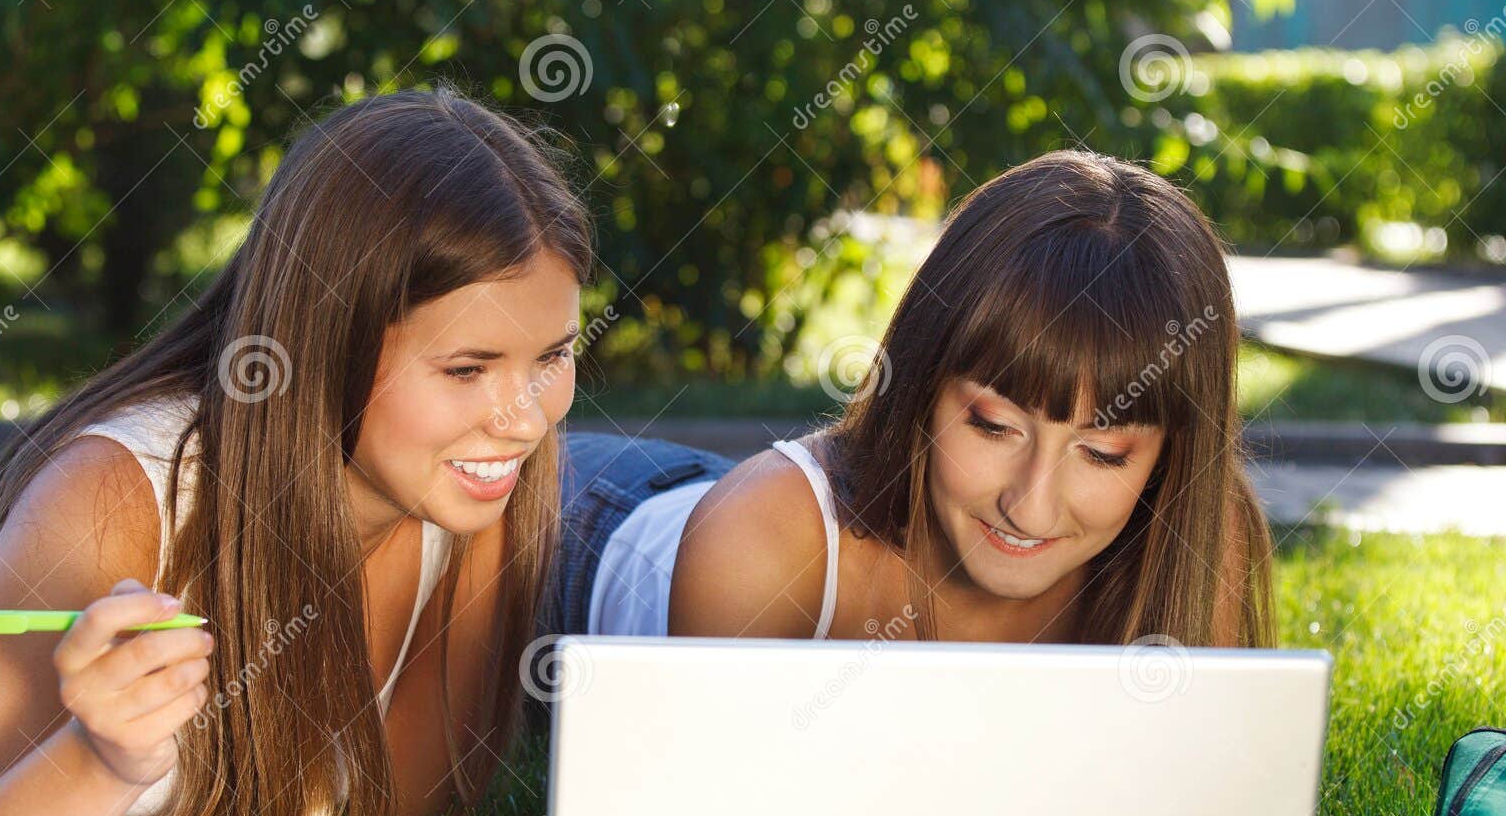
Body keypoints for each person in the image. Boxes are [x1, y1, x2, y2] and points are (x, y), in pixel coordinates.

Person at [0, 86, 592, 816]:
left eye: (554, 355)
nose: (523, 419)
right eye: (467, 368)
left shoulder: (472, 499)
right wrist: (101, 759)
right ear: (324, 337)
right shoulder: (112, 502)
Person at [543, 149, 1273, 653]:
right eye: (992, 426)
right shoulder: (763, 546)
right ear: (920, 383)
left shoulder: (1198, 537)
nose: (1032, 505)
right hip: (581, 522)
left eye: (1103, 452)